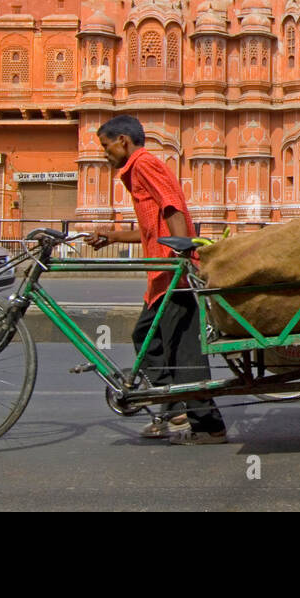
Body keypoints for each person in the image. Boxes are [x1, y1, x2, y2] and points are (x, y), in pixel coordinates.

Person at [83, 115, 226, 444]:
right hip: (161, 277)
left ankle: (208, 425)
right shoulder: (135, 170)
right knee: (149, 337)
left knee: (183, 349)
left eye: (105, 146)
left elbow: (172, 206)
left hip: (173, 274)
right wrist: (114, 235)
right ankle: (172, 408)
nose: (104, 153)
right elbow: (152, 227)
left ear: (123, 141)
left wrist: (180, 256)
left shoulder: (143, 163)